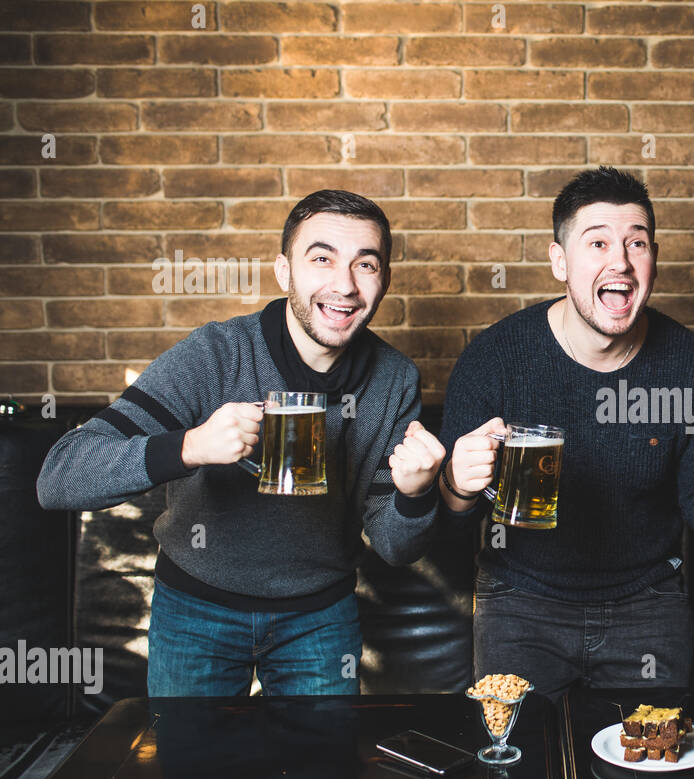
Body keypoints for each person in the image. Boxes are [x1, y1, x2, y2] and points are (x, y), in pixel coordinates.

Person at [37, 190, 446, 696]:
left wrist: (415, 493)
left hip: (320, 617)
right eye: (322, 259)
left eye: (366, 265)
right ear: (284, 271)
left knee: (322, 772)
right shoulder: (215, 355)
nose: (344, 285)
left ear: (384, 280)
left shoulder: (394, 379)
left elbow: (395, 547)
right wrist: (189, 446)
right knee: (191, 769)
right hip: (196, 611)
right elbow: (59, 478)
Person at [436, 166, 694, 699]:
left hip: (648, 605)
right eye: (598, 242)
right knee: (516, 766)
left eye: (637, 243)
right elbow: (449, 516)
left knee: (653, 767)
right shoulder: (494, 359)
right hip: (519, 602)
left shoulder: (689, 364)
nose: (620, 261)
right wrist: (456, 483)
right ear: (560, 261)